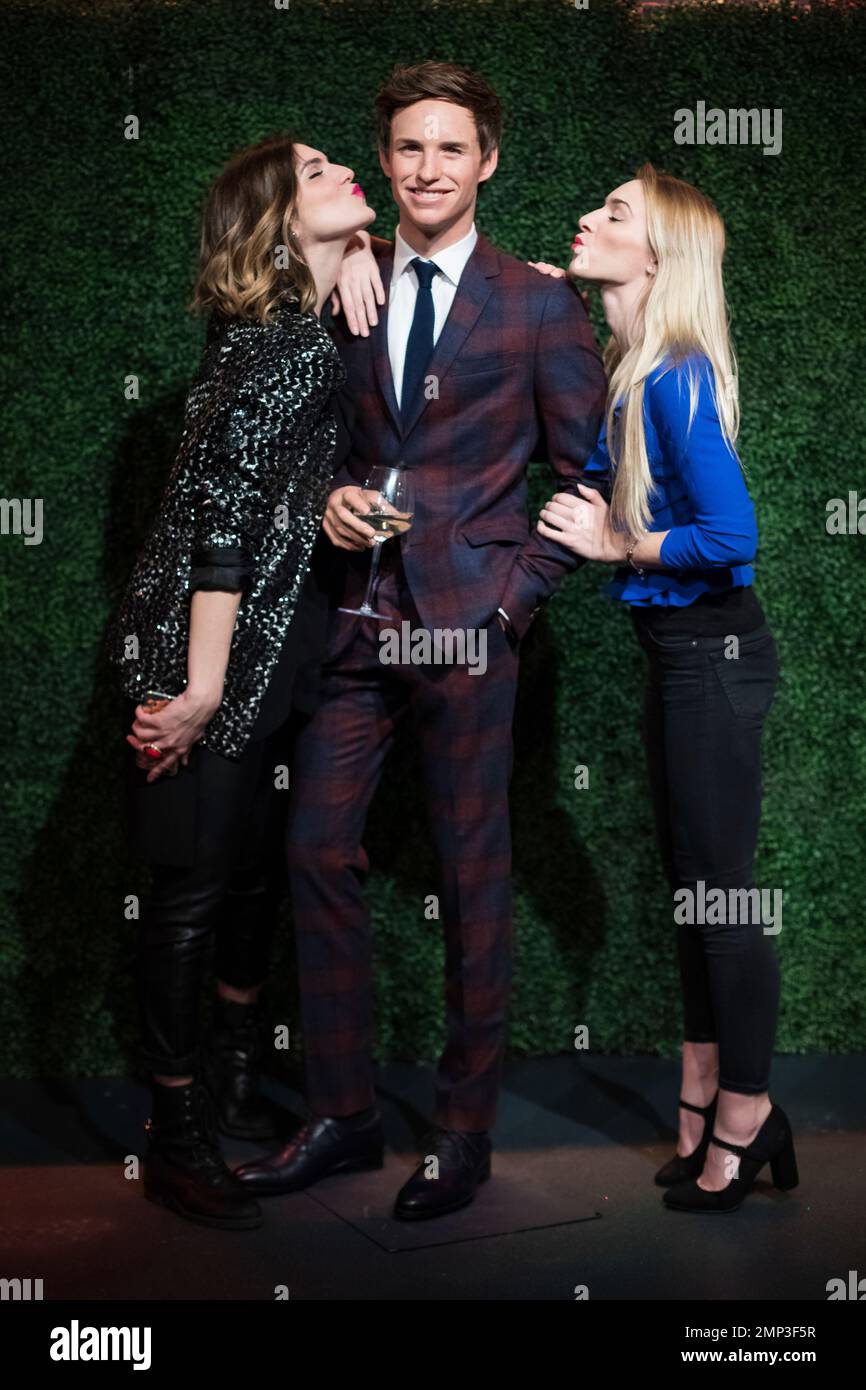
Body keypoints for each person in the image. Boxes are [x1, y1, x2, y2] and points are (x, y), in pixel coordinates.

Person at [234, 60, 607, 1220]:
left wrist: (511, 602)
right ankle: (342, 1114)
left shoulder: (539, 304)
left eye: (450, 148)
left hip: (467, 630)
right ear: (384, 160)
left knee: (473, 873)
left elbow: (585, 472)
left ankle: (460, 1128)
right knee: (313, 852)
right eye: (406, 149)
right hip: (356, 623)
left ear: (486, 161)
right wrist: (334, 498)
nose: (426, 168)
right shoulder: (343, 283)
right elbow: (309, 443)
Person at [107, 133, 375, 1229]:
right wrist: (205, 687)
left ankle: (222, 1079)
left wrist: (358, 241)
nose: (344, 172)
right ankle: (174, 1132)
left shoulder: (274, 329)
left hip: (271, 646)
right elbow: (221, 522)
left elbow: (275, 491)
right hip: (206, 650)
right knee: (192, 894)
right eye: (317, 175)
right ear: (273, 224)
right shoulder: (285, 347)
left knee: (250, 879)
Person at [534, 163, 797, 1214]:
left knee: (723, 896)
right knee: (696, 891)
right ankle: (703, 1093)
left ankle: (743, 1115)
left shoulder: (673, 372)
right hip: (679, 659)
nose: (585, 219)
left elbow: (734, 536)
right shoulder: (632, 361)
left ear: (658, 257)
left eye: (611, 215)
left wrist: (617, 542)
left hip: (714, 658)